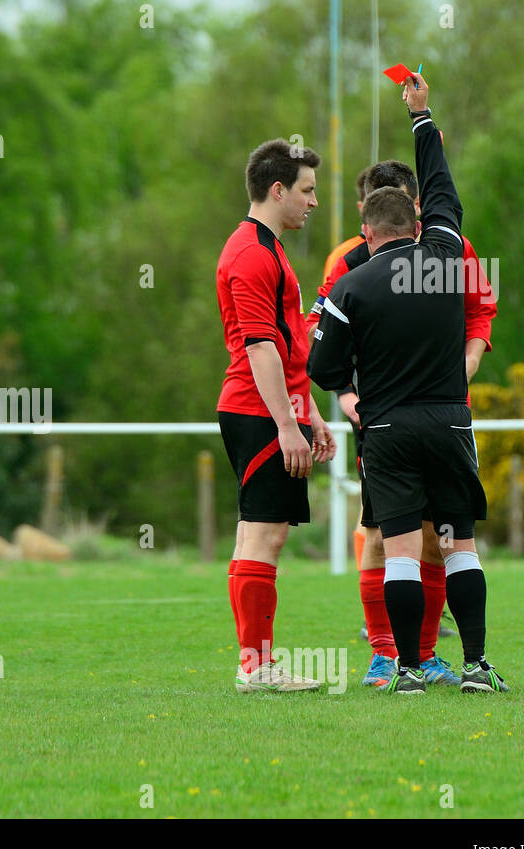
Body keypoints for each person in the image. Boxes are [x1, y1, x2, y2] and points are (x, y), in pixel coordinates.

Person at [307, 74, 507, 694]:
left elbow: (321, 366)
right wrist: (421, 117)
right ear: (417, 223)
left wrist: (347, 393)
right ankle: (474, 666)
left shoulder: (351, 285)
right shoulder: (447, 256)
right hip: (449, 421)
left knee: (396, 550)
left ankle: (408, 670)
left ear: (368, 232)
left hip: (387, 429)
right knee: (458, 548)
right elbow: (444, 189)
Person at [217, 138, 336, 693]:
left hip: (271, 408)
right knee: (265, 537)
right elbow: (260, 349)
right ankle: (257, 666)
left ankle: (255, 663)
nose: (314, 202)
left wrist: (309, 410)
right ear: (278, 189)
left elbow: (287, 348)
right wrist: (287, 425)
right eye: (308, 191)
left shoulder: (268, 248)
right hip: (257, 411)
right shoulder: (249, 254)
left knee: (256, 536)